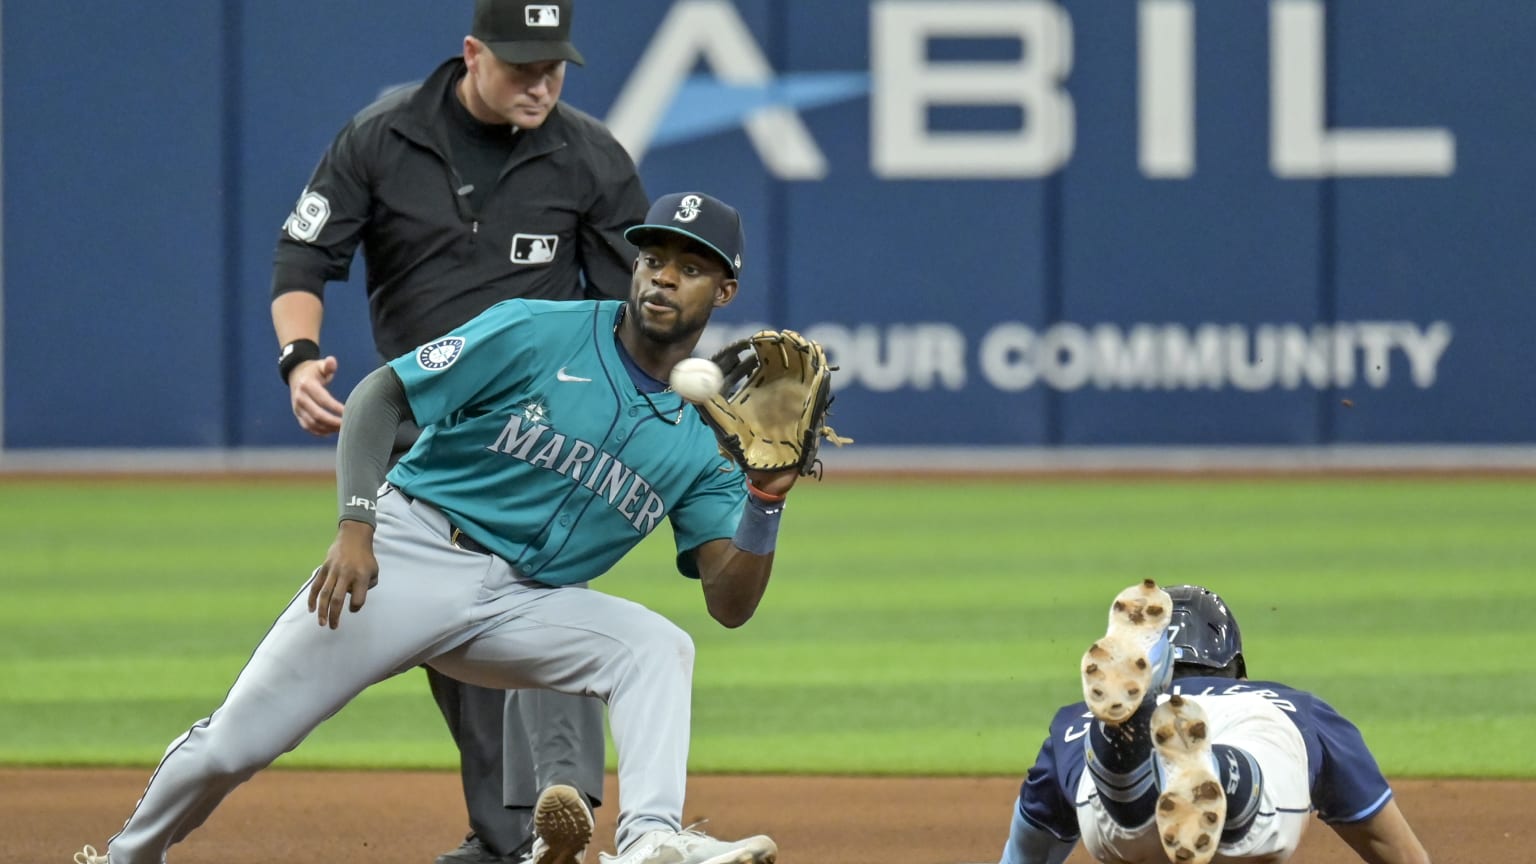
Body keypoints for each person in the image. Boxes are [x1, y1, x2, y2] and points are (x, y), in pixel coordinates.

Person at [74, 192, 787, 864]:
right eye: (652, 260)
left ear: (723, 292)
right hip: (408, 554)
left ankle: (649, 840)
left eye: (690, 268)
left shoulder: (706, 436)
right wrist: (357, 523)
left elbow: (730, 603)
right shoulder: (539, 331)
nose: (663, 279)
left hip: (529, 602)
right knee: (235, 745)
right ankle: (125, 856)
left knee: (658, 646)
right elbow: (380, 393)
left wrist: (764, 499)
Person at [269, 1, 647, 861]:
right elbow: (304, 254)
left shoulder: (589, 155)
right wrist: (299, 357)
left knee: (546, 595)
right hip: (421, 436)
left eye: (554, 67)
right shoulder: (382, 138)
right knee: (454, 640)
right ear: (472, 54)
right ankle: (512, 836)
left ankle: (563, 794)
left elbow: (638, 298)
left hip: (539, 436)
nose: (541, 83)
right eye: (521, 67)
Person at [998, 580, 1432, 864]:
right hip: (1252, 732)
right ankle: (1224, 775)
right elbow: (1397, 851)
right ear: (1234, 664)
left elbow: (1023, 856)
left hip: (1108, 803)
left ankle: (1126, 758)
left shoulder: (1071, 723)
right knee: (1258, 803)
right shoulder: (1294, 705)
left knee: (1119, 822)